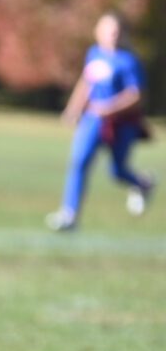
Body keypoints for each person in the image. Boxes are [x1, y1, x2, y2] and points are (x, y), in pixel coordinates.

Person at [46, 12, 156, 231]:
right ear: (98, 32)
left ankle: (142, 183)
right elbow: (87, 82)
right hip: (93, 120)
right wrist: (74, 107)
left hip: (121, 124)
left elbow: (136, 96)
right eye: (108, 30)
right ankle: (69, 214)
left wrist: (110, 108)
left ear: (123, 34)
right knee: (79, 161)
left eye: (116, 31)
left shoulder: (129, 61)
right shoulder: (94, 54)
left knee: (117, 171)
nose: (112, 35)